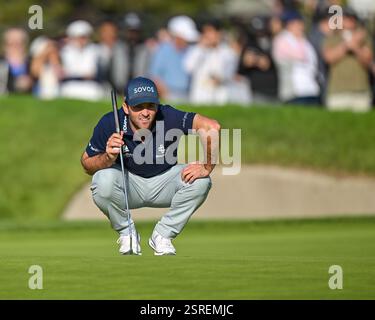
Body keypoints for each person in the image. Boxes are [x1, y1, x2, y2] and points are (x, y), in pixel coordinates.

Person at [80, 77, 220, 255]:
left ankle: (162, 235)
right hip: (128, 184)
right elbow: (86, 164)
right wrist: (107, 157)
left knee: (202, 181)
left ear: (158, 105)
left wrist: (207, 166)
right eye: (137, 107)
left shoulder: (168, 115)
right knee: (102, 179)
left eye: (150, 106)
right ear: (126, 107)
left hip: (164, 181)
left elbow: (212, 127)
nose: (145, 112)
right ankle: (127, 233)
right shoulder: (110, 122)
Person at [323, 8, 373, 112]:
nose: (349, 21)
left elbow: (367, 61)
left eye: (351, 19)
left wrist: (355, 47)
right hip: (338, 91)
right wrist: (346, 45)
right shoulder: (332, 38)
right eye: (345, 18)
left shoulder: (365, 38)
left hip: (360, 90)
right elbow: (329, 58)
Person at [184, 20, 241, 105]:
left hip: (220, 96)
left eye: (210, 31)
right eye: (205, 32)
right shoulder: (197, 50)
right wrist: (201, 48)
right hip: (199, 97)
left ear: (219, 33)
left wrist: (220, 78)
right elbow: (188, 68)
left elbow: (230, 72)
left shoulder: (228, 52)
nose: (207, 35)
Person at [272, 11, 320, 105]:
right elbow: (300, 56)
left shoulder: (305, 41)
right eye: (298, 23)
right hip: (294, 92)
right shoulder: (281, 40)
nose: (301, 26)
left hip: (311, 89)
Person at [149, 15, 200, 103]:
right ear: (177, 36)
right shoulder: (163, 50)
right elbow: (155, 77)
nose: (187, 41)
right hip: (169, 95)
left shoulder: (191, 50)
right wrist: (166, 95)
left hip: (189, 94)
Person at [60, 20, 103, 101]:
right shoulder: (65, 51)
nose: (82, 40)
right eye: (79, 37)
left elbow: (91, 72)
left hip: (90, 86)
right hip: (70, 86)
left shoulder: (95, 50)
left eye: (84, 37)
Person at [0, 28, 33, 94]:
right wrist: (15, 83)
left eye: (18, 43)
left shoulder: (32, 61)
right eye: (11, 43)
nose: (15, 46)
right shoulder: (1, 61)